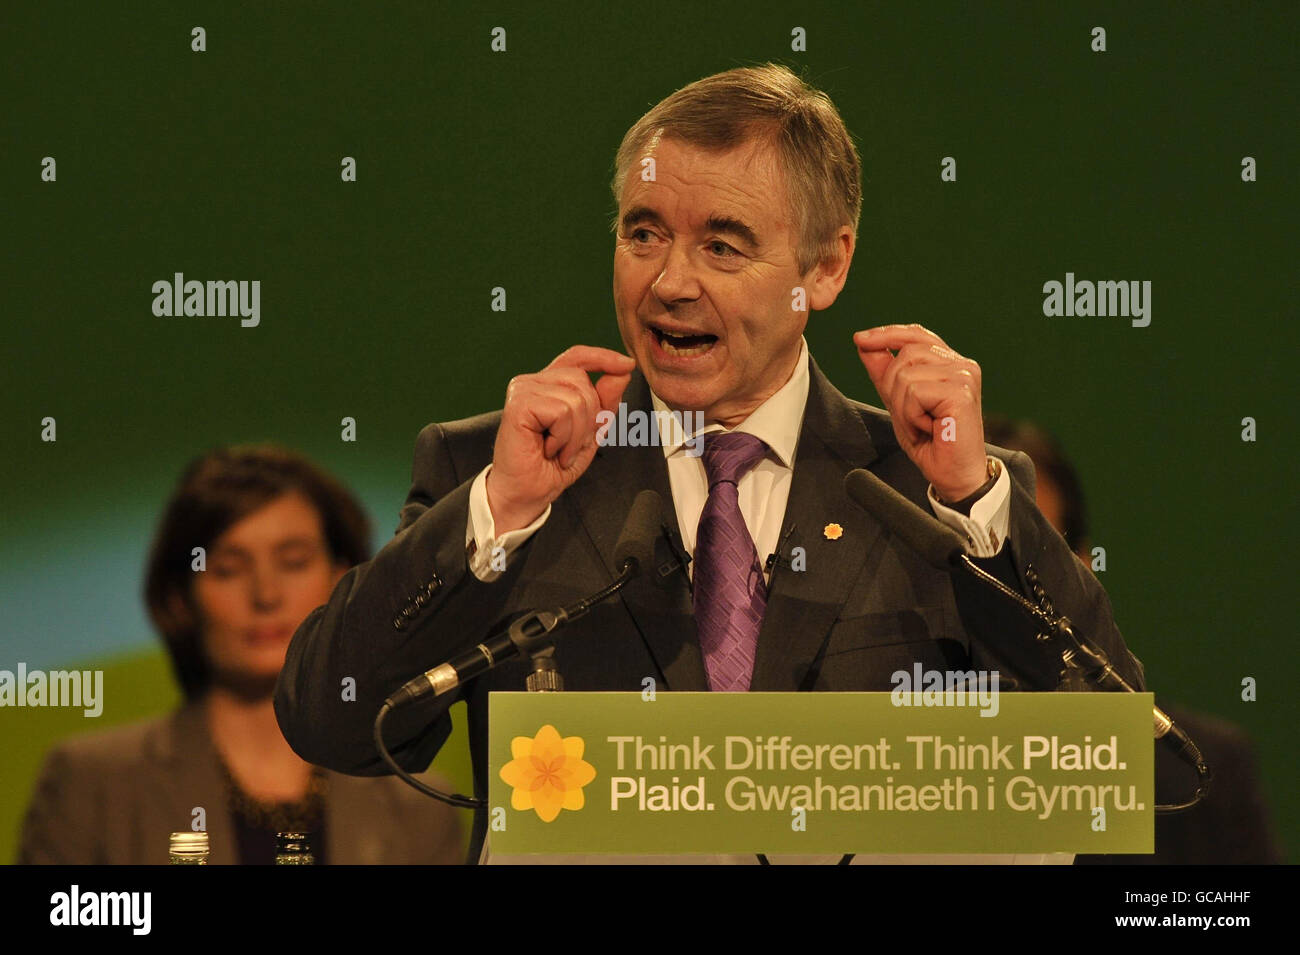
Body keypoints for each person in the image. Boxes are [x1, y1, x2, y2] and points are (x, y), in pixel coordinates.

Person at [274, 63, 1146, 863]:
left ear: (827, 264)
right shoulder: (501, 471)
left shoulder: (931, 492)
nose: (669, 283)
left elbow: (1110, 757)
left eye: (722, 246)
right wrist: (499, 511)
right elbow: (332, 720)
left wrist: (971, 498)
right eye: (643, 233)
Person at [19, 444, 464, 864]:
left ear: (345, 579)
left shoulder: (418, 805)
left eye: (293, 562)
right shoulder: (90, 783)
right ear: (180, 597)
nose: (266, 595)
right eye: (228, 569)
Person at [983, 416, 1283, 864]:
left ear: (1082, 567)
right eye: (975, 553)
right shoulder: (880, 771)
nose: (1003, 584)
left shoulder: (1200, 774)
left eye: (1033, 550)